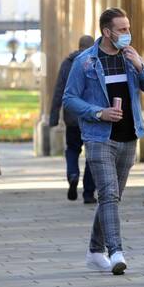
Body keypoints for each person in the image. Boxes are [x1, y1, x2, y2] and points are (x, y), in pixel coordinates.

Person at [62, 8, 144, 275]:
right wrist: (98, 112)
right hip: (99, 137)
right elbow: (69, 99)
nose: (127, 34)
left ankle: (94, 251)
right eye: (122, 30)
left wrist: (140, 65)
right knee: (108, 193)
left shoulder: (131, 59)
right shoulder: (85, 62)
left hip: (129, 137)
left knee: (112, 197)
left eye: (128, 28)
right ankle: (115, 251)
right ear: (107, 32)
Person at [50, 34, 97, 203]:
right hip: (92, 117)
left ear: (78, 46)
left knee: (72, 149)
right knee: (92, 155)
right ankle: (89, 193)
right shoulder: (96, 61)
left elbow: (59, 91)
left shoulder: (67, 63)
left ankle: (73, 174)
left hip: (72, 117)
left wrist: (53, 118)